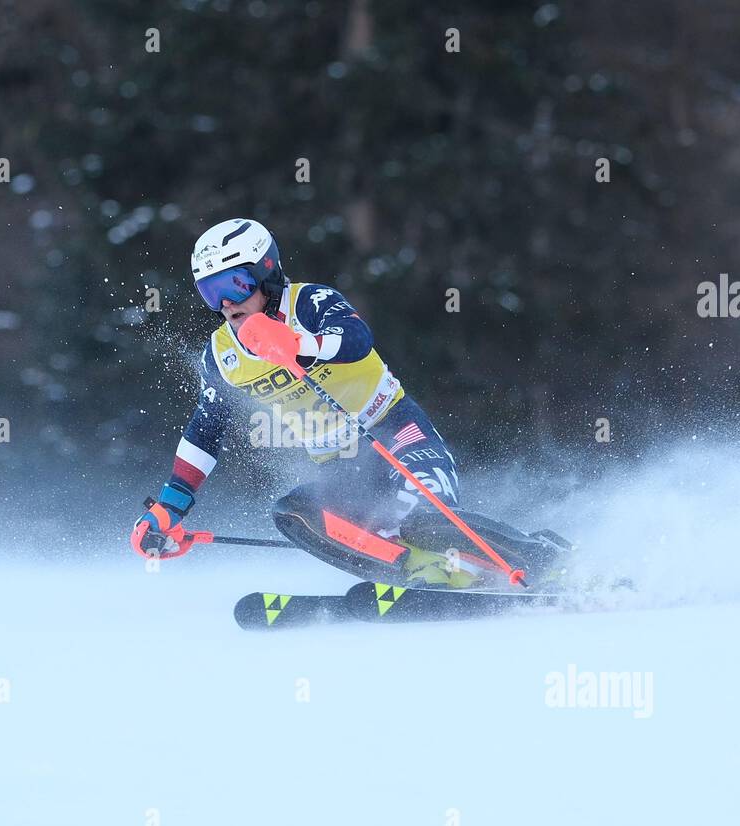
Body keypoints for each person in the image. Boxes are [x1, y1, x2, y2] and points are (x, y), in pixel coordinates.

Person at [129, 217, 537, 588]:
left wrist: (300, 345)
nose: (226, 304)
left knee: (425, 522)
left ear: (266, 272)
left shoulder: (307, 303)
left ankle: (542, 560)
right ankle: (417, 572)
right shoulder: (220, 355)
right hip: (344, 467)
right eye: (210, 292)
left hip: (397, 436)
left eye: (233, 285)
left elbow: (358, 340)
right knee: (294, 514)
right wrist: (170, 507)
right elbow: (205, 431)